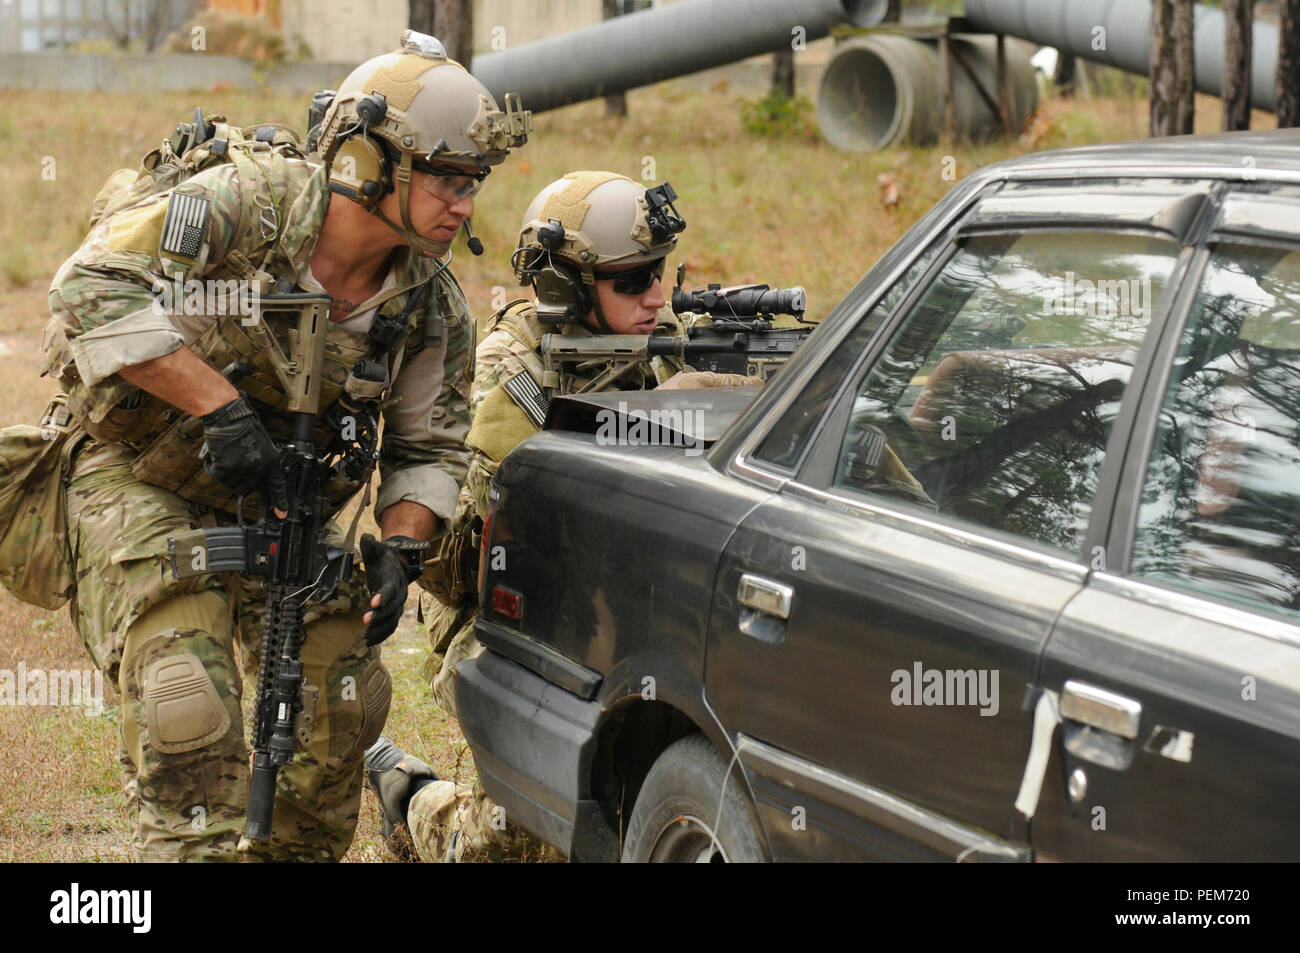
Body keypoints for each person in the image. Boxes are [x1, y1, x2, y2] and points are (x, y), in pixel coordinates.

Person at [36, 32, 529, 861]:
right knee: (185, 708)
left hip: (288, 508)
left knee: (338, 714)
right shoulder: (250, 206)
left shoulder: (430, 303)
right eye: (446, 178)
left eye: (472, 183)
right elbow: (85, 288)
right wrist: (220, 407)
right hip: (140, 476)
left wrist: (402, 548)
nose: (465, 205)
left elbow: (430, 448)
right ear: (370, 164)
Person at [366, 171, 754, 862]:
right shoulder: (504, 374)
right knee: (509, 844)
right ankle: (408, 793)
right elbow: (453, 570)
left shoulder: (666, 345)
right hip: (510, 612)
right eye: (630, 281)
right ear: (564, 286)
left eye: (657, 274)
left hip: (628, 607)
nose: (656, 298)